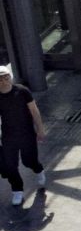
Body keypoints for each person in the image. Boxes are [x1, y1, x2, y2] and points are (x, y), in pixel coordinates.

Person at [0, 66, 48, 205]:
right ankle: (17, 191)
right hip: (8, 136)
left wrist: (40, 129)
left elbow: (34, 110)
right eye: (0, 78)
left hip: (26, 133)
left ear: (10, 77)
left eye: (6, 77)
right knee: (10, 165)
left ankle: (39, 170)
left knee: (29, 161)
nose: (3, 81)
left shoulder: (22, 91)